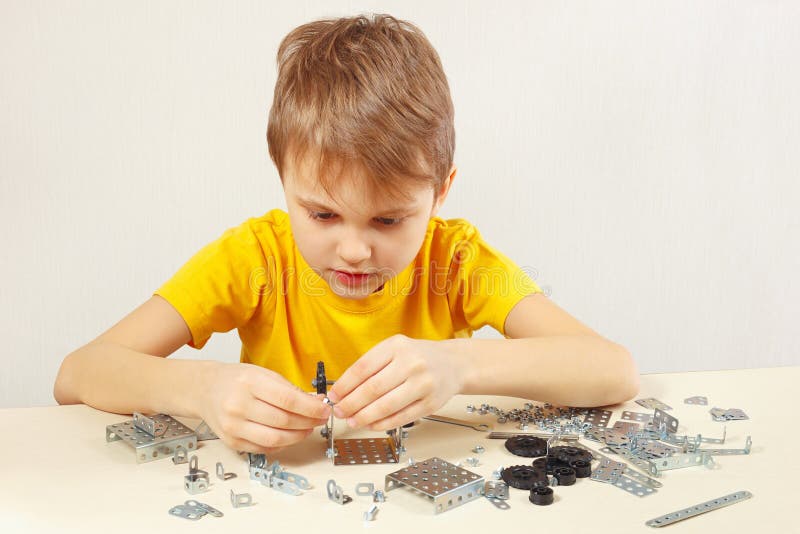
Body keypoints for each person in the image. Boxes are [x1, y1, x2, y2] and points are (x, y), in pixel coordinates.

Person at [54, 14, 639, 454]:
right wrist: (198, 388)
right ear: (283, 181)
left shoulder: (456, 262)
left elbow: (612, 368)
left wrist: (460, 365)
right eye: (323, 215)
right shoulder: (252, 259)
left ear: (439, 194)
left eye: (388, 220)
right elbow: (77, 374)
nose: (355, 250)